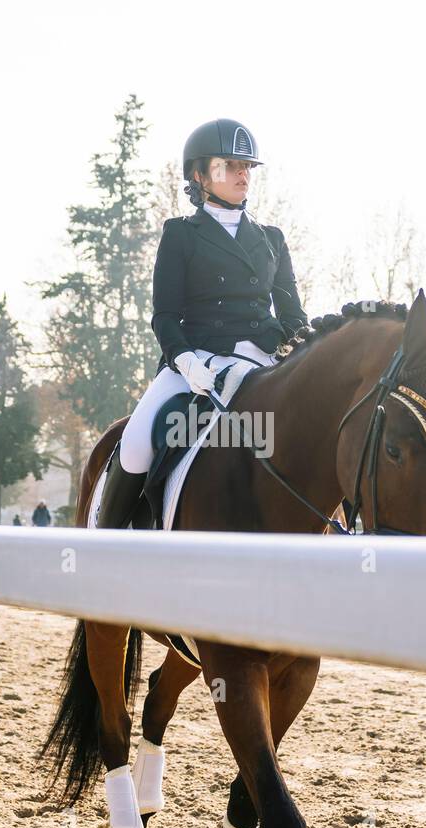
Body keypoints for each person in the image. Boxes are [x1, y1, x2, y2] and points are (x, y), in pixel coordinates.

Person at [96, 118, 310, 529]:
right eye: (229, 165)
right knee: (137, 442)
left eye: (247, 166)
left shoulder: (272, 239)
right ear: (199, 174)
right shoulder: (181, 235)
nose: (242, 174)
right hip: (196, 366)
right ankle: (105, 542)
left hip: (262, 364)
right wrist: (186, 361)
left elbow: (293, 317)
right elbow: (164, 315)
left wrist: (299, 354)